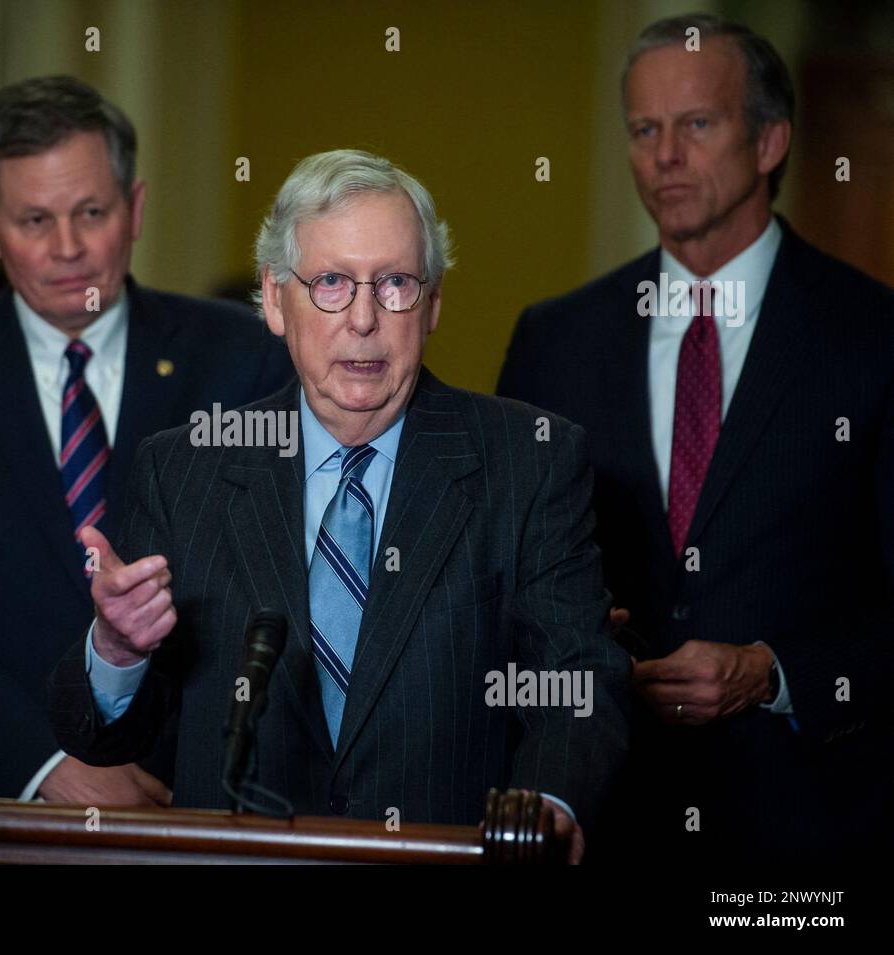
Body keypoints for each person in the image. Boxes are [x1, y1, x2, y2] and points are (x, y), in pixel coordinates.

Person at [48, 149, 630, 862]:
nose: (362, 318)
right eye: (329, 282)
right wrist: (117, 649)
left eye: (394, 285)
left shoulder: (530, 461)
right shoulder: (184, 469)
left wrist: (544, 809)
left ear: (434, 303)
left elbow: (577, 677)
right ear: (272, 300)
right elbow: (107, 734)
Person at [0, 75, 292, 859]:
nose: (67, 247)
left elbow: (265, 588)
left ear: (136, 207)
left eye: (91, 212)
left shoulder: (244, 357)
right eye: (34, 219)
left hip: (185, 806)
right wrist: (51, 761)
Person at [497, 14, 894, 863]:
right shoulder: (555, 340)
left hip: (808, 828)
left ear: (770, 141)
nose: (665, 155)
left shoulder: (874, 336)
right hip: (603, 817)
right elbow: (498, 578)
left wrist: (774, 670)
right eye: (645, 129)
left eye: (697, 124)